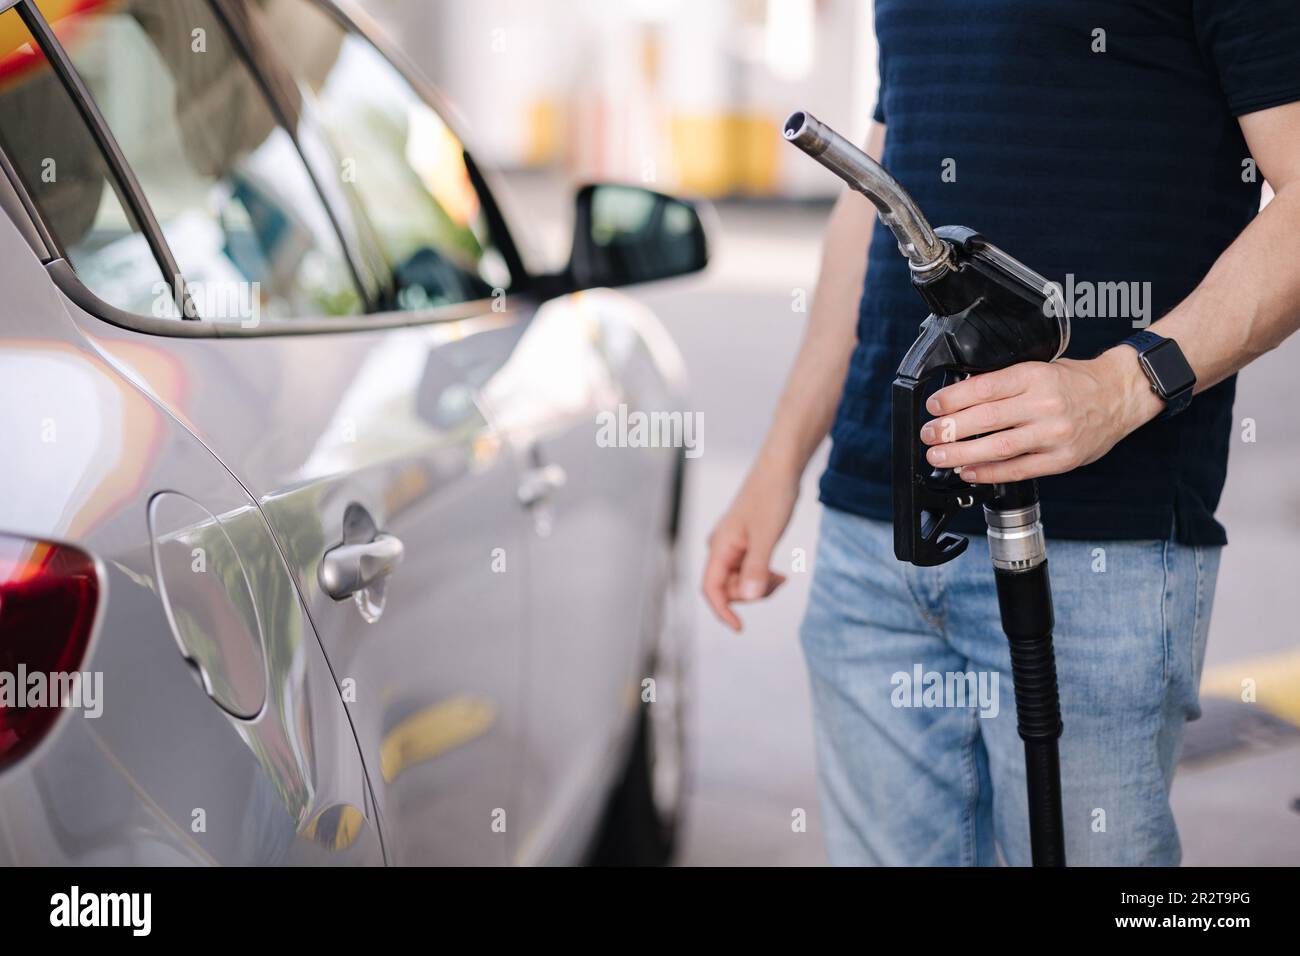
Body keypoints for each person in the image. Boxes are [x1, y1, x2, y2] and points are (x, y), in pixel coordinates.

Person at [703, 0, 1300, 865]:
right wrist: (779, 464)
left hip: (1100, 552)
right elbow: (874, 197)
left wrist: (1121, 386)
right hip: (874, 543)